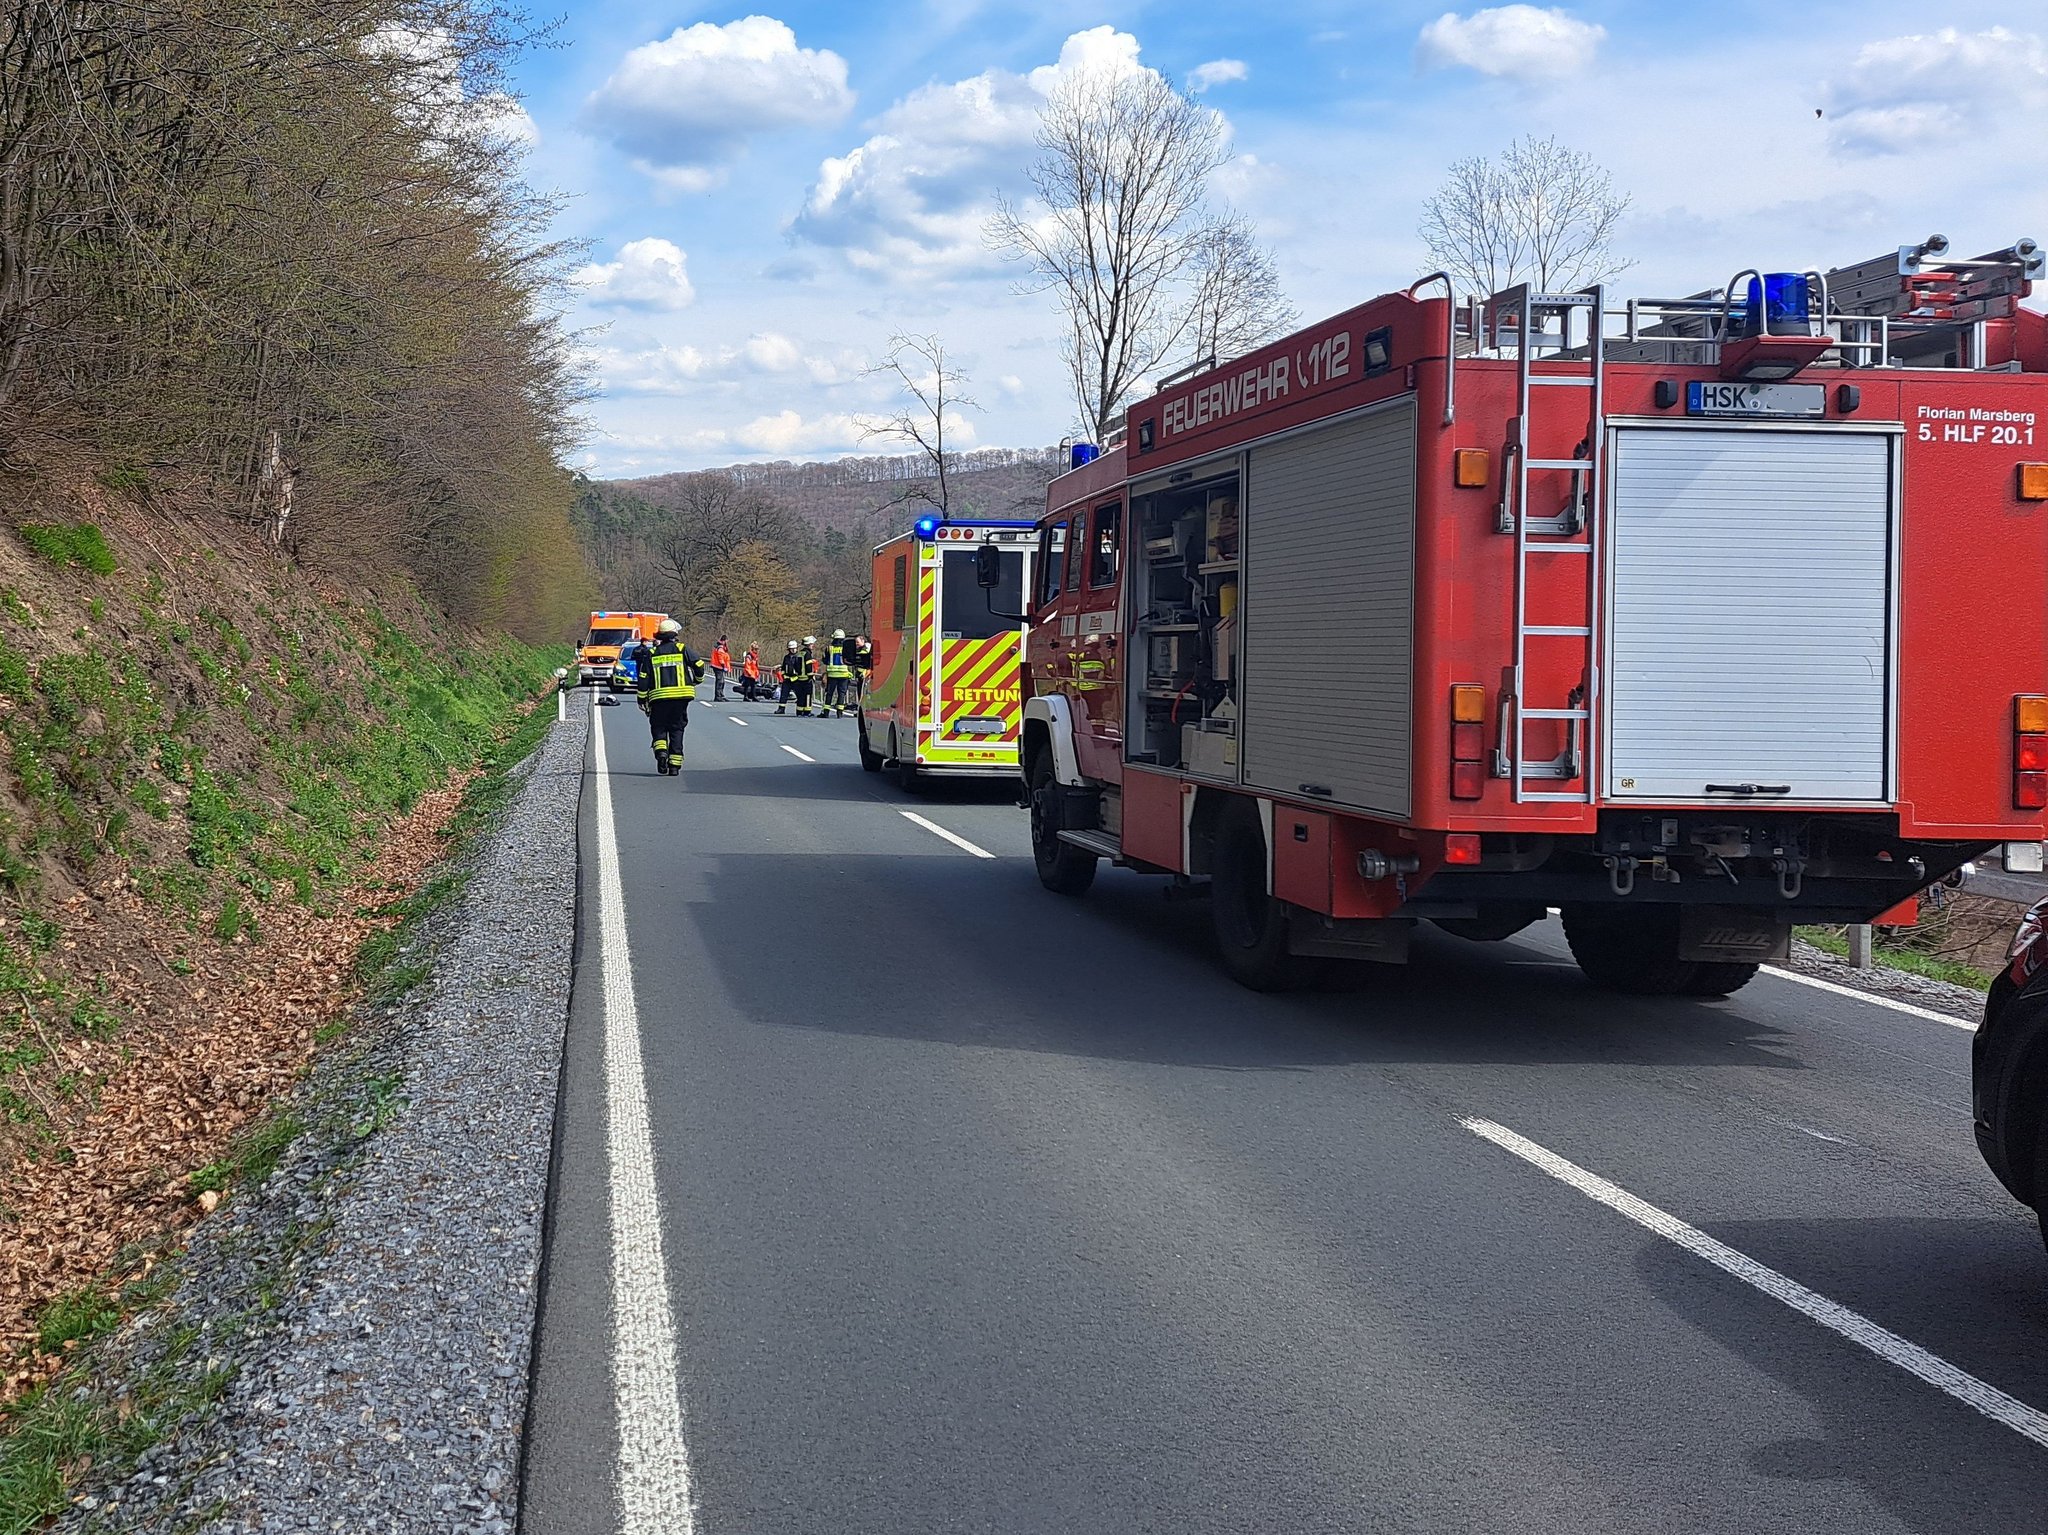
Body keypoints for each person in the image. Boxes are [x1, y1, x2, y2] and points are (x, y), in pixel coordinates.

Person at [635, 618, 702, 774]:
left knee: (659, 726)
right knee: (677, 728)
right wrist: (697, 680)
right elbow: (698, 664)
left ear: (659, 635)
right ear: (674, 635)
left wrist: (641, 699)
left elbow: (644, 677)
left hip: (659, 698)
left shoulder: (652, 653)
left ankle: (661, 753)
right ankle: (674, 766)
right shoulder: (682, 648)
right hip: (681, 697)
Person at [823, 628, 855, 717]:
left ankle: (826, 712)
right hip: (844, 675)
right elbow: (851, 661)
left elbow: (825, 661)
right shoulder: (846, 648)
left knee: (829, 694)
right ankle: (839, 713)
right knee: (841, 694)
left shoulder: (829, 648)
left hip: (832, 675)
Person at [775, 639, 808, 716]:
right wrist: (783, 675)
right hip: (787, 679)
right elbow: (783, 668)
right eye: (791, 649)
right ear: (789, 649)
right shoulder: (786, 657)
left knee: (799, 695)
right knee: (784, 694)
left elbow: (801, 669)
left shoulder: (799, 657)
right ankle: (781, 709)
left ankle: (799, 711)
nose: (793, 650)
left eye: (794, 648)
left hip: (796, 680)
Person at [709, 635, 731, 702]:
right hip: (718, 666)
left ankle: (721, 695)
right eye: (726, 641)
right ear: (724, 641)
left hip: (718, 666)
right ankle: (718, 696)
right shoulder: (720, 648)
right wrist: (724, 666)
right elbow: (721, 659)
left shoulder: (720, 647)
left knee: (722, 682)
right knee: (720, 682)